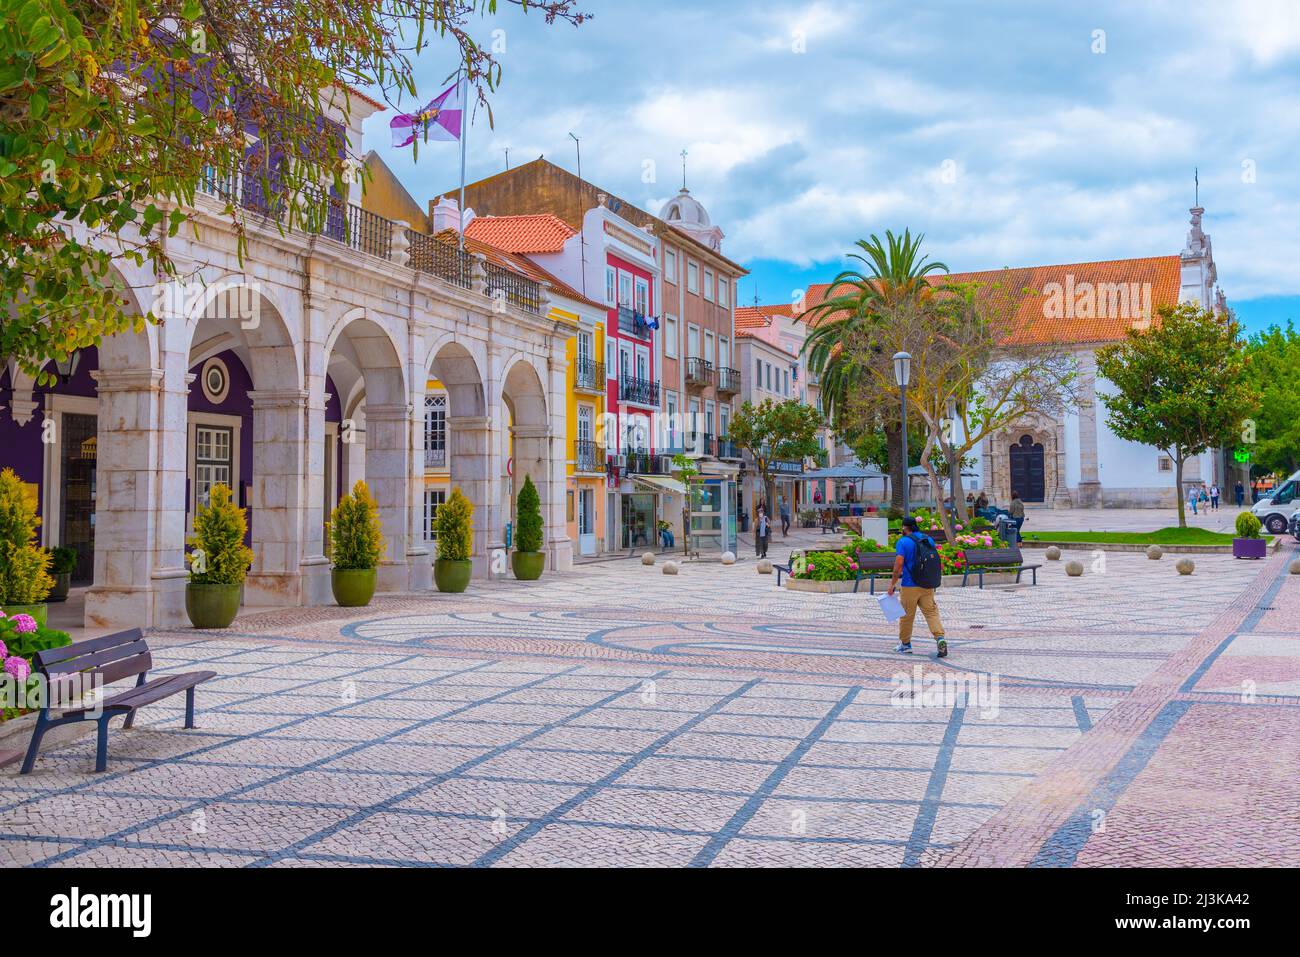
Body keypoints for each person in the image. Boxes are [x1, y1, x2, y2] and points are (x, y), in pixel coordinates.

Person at [887, 515, 947, 658]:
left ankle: (906, 645)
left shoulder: (903, 542)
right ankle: (940, 638)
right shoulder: (928, 539)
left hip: (910, 585)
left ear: (904, 527)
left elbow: (898, 566)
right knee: (931, 613)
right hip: (927, 583)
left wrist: (892, 584)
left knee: (907, 616)